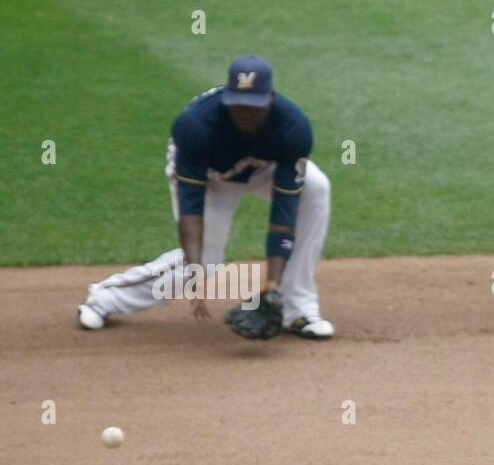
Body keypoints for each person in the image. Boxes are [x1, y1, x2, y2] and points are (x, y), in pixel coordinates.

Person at [78, 55, 334, 339]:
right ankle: (105, 298)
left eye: (254, 107)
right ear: (227, 96)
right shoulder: (195, 125)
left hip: (262, 169)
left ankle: (296, 308)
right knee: (206, 259)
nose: (246, 113)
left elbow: (284, 213)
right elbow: (191, 209)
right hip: (211, 178)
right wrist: (198, 271)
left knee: (316, 187)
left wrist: (271, 286)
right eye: (239, 105)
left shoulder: (293, 128)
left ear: (271, 99)